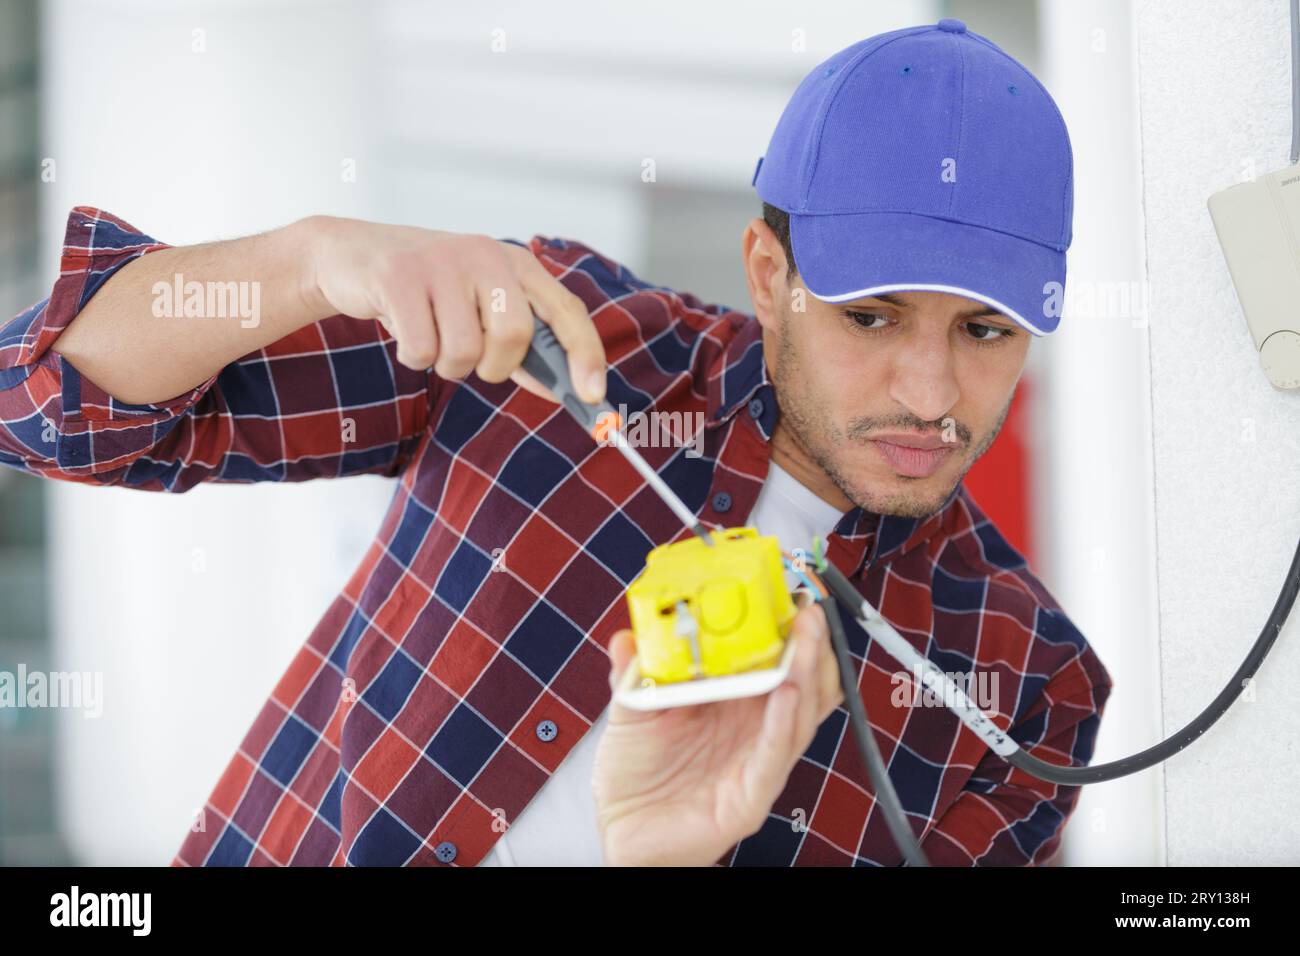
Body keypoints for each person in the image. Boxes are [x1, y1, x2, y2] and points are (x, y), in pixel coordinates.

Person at [0, 18, 1110, 866]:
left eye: (984, 331)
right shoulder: (560, 340)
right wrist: (309, 258)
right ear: (770, 277)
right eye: (871, 315)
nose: (930, 393)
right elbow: (48, 406)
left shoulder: (1028, 686)